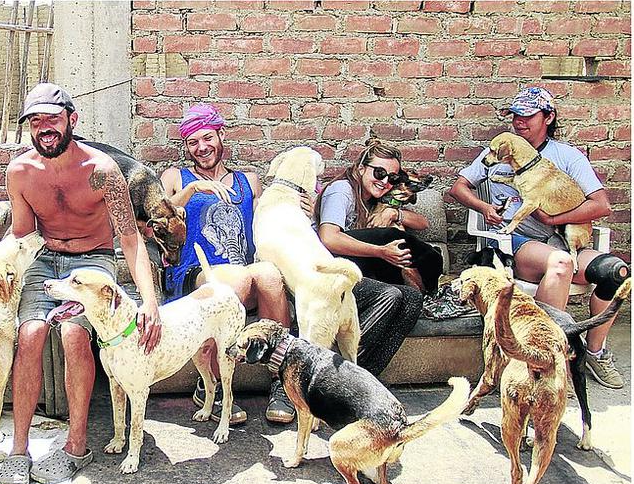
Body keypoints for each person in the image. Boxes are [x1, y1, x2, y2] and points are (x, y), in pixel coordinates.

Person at [0, 83, 162, 484]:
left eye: (52, 119)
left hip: (93, 260)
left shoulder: (102, 170)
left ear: (72, 120)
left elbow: (129, 240)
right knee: (30, 333)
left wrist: (150, 302)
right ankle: (19, 451)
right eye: (36, 122)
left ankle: (76, 445)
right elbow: (21, 236)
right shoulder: (20, 173)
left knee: (73, 334)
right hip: (48, 260)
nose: (44, 129)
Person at [448, 86, 628, 389]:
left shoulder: (567, 156)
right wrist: (483, 207)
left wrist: (555, 219)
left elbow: (601, 205)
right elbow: (458, 188)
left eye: (528, 115)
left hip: (561, 237)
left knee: (617, 272)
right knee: (559, 264)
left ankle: (594, 352)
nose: (519, 121)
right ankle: (546, 360)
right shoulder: (496, 153)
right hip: (515, 242)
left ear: (548, 117)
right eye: (515, 115)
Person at [161, 103, 293, 425]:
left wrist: (300, 205)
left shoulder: (249, 180)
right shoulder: (176, 177)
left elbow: (268, 221)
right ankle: (212, 385)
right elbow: (157, 218)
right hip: (195, 273)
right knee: (235, 279)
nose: (201, 147)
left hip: (243, 269)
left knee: (270, 275)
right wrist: (192, 190)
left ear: (221, 135)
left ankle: (282, 379)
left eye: (207, 138)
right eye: (193, 142)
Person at [314, 139, 437, 376]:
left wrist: (394, 212)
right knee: (390, 294)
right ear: (361, 168)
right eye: (378, 173)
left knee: (411, 298)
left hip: (357, 273)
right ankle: (331, 369)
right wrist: (382, 251)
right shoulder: (343, 190)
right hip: (327, 273)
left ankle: (362, 376)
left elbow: (423, 223)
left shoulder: (376, 200)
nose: (384, 181)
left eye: (391, 178)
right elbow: (328, 238)